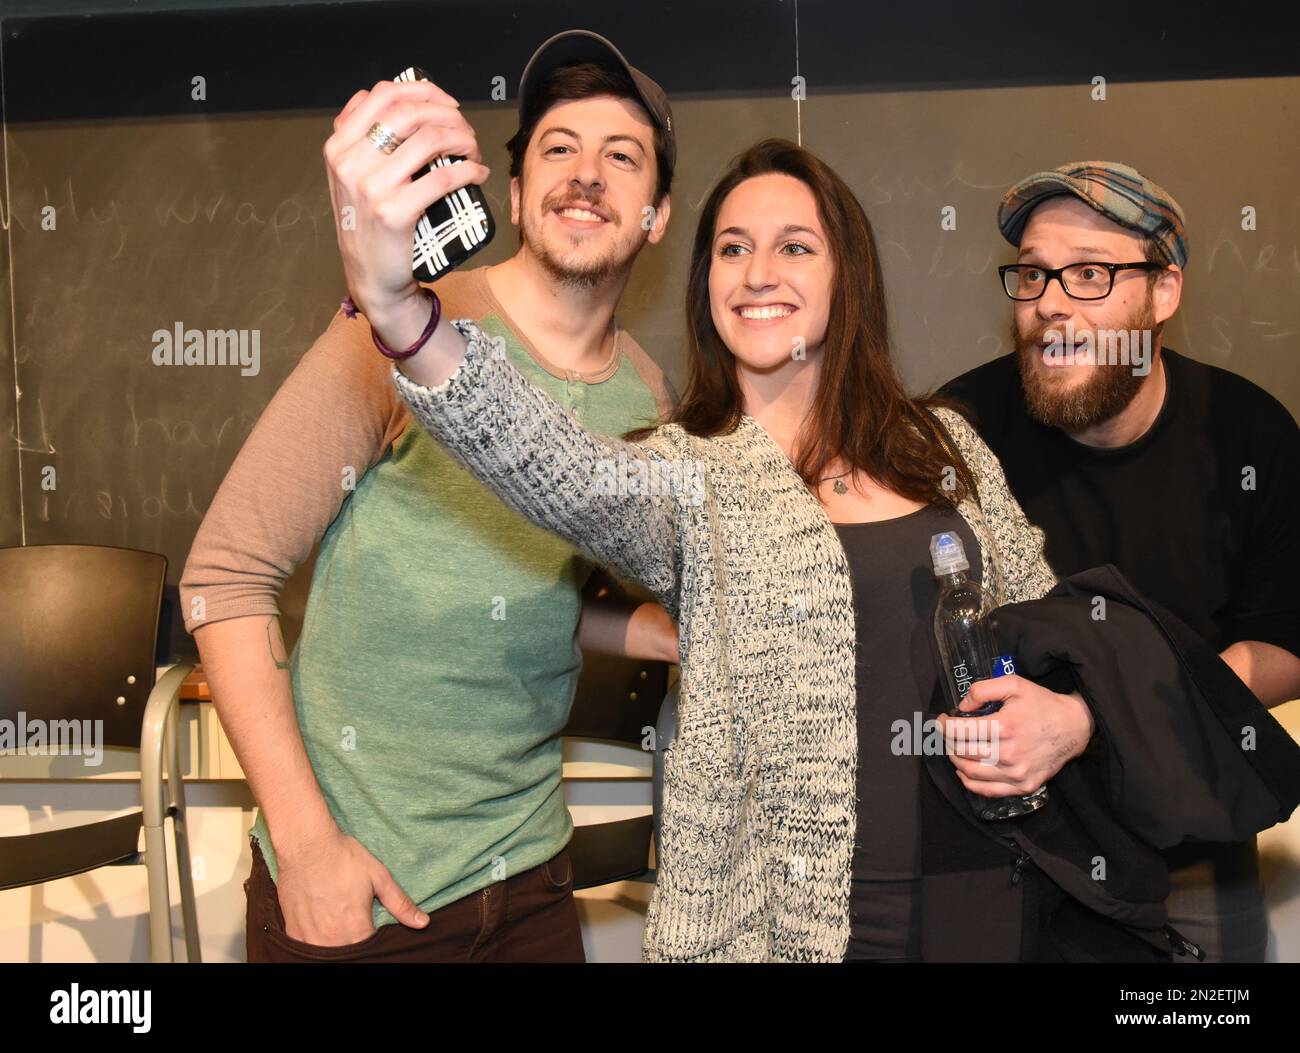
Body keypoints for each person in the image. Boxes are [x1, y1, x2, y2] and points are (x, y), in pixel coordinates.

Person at [338, 104, 1118, 960]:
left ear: (845, 273)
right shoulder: (686, 472)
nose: (757, 272)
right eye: (733, 248)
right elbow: (550, 463)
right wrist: (403, 314)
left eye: (794, 246)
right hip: (787, 929)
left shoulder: (945, 444)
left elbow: (1056, 630)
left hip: (988, 897)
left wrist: (1070, 716)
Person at [178, 30, 680, 963]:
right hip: (362, 887)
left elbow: (526, 594)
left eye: (623, 156)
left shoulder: (645, 399)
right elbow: (224, 575)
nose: (586, 173)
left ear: (656, 215)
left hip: (530, 879)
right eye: (557, 148)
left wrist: (641, 630)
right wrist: (307, 846)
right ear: (517, 190)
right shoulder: (401, 324)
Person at [940, 161, 1300, 962]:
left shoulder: (1249, 438)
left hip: (1191, 847)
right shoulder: (958, 434)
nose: (1051, 303)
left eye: (1091, 274)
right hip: (1014, 852)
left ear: (1164, 291)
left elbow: (1283, 642)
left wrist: (1099, 720)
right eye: (1033, 274)